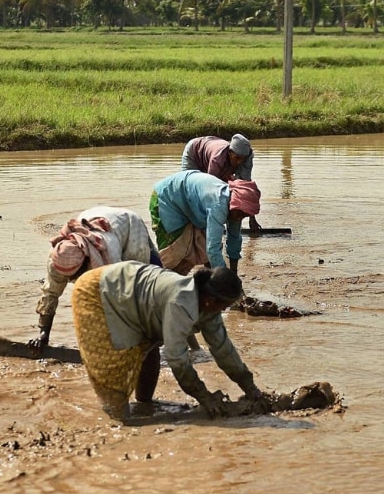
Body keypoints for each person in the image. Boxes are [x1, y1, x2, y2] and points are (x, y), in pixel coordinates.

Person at [70, 260, 270, 420]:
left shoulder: (209, 309)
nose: (226, 310)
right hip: (98, 292)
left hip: (132, 298)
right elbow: (177, 359)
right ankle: (116, 416)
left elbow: (223, 350)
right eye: (225, 305)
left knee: (146, 351)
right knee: (115, 362)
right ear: (211, 300)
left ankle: (144, 404)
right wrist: (204, 397)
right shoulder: (180, 303)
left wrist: (251, 389)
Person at [29, 206, 161, 354]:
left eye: (75, 276)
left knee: (140, 283)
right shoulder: (58, 255)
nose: (72, 280)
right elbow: (50, 294)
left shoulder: (107, 256)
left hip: (129, 226)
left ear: (86, 261)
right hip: (96, 216)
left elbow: (120, 295)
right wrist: (43, 334)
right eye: (68, 277)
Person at [149, 170, 261, 275]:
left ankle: (208, 284)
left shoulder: (235, 209)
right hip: (166, 198)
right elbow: (212, 249)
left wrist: (234, 273)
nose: (239, 219)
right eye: (240, 214)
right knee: (173, 251)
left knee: (201, 246)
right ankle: (156, 282)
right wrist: (226, 281)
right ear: (234, 203)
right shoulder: (218, 205)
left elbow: (234, 240)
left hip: (188, 202)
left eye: (244, 216)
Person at [181, 134, 261, 231]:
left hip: (212, 153)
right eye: (237, 158)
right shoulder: (217, 159)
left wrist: (251, 218)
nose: (240, 162)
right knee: (192, 189)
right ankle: (193, 224)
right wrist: (215, 221)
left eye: (242, 159)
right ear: (230, 153)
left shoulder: (246, 159)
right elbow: (208, 188)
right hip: (194, 152)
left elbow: (245, 189)